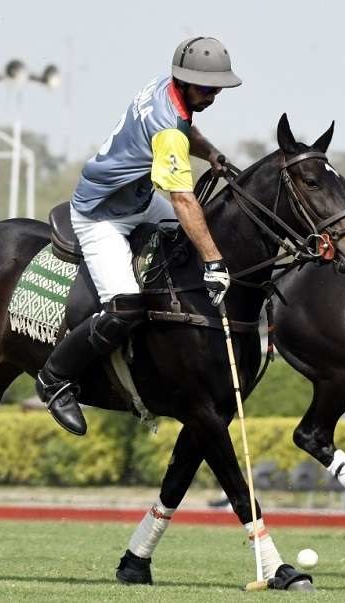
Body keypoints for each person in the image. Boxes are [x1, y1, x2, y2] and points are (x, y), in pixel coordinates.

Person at [35, 37, 243, 436]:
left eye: (218, 88)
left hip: (139, 201)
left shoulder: (167, 88)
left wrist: (212, 154)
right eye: (207, 88)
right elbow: (182, 199)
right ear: (184, 82)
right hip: (102, 215)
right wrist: (216, 263)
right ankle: (55, 378)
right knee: (125, 308)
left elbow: (186, 131)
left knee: (185, 250)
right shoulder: (167, 126)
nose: (214, 95)